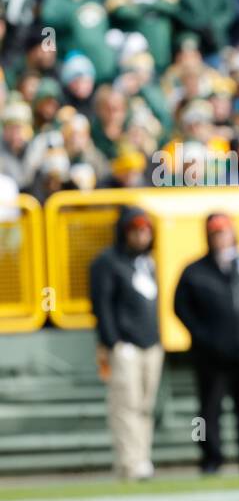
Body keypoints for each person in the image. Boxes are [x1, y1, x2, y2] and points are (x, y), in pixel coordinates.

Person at [173, 213, 239, 475]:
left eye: (224, 232)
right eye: (216, 233)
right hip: (212, 356)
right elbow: (181, 309)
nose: (221, 237)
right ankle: (211, 460)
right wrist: (205, 338)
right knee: (208, 412)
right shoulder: (194, 271)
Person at [88, 206, 162, 481]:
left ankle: (141, 458)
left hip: (150, 343)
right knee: (125, 404)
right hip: (124, 345)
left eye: (145, 230)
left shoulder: (147, 262)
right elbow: (102, 305)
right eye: (136, 230)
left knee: (144, 405)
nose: (141, 236)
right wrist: (113, 342)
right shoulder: (107, 262)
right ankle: (130, 462)